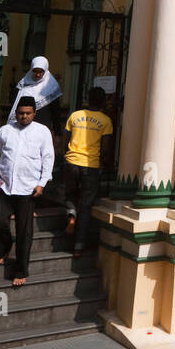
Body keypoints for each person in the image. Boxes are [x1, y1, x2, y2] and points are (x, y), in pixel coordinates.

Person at [0, 95, 54, 287]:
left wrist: (42, 182)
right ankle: (5, 247)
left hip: (27, 190)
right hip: (4, 186)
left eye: (28, 113)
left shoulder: (42, 132)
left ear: (34, 113)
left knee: (24, 233)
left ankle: (21, 270)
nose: (24, 116)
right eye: (21, 113)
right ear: (16, 113)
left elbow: (48, 159)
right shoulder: (5, 131)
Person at [60, 87, 114, 256]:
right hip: (91, 165)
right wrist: (104, 163)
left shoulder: (75, 116)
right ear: (103, 101)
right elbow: (105, 148)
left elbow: (65, 139)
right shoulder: (105, 121)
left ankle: (71, 215)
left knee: (69, 194)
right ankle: (78, 245)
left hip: (72, 162)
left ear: (87, 99)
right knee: (86, 204)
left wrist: (65, 156)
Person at [8, 55, 63, 140]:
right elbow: (14, 104)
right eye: (35, 71)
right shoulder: (22, 85)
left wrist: (57, 133)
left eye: (41, 72)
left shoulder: (52, 87)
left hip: (41, 128)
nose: (38, 74)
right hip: (21, 128)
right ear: (31, 70)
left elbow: (56, 112)